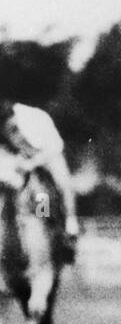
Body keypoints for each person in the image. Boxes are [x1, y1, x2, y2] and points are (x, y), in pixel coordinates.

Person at [0, 100, 79, 261]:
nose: (13, 136)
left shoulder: (35, 120)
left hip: (48, 153)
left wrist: (31, 163)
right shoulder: (7, 133)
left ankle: (69, 225)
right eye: (7, 132)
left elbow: (52, 149)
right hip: (20, 157)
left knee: (55, 185)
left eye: (13, 129)